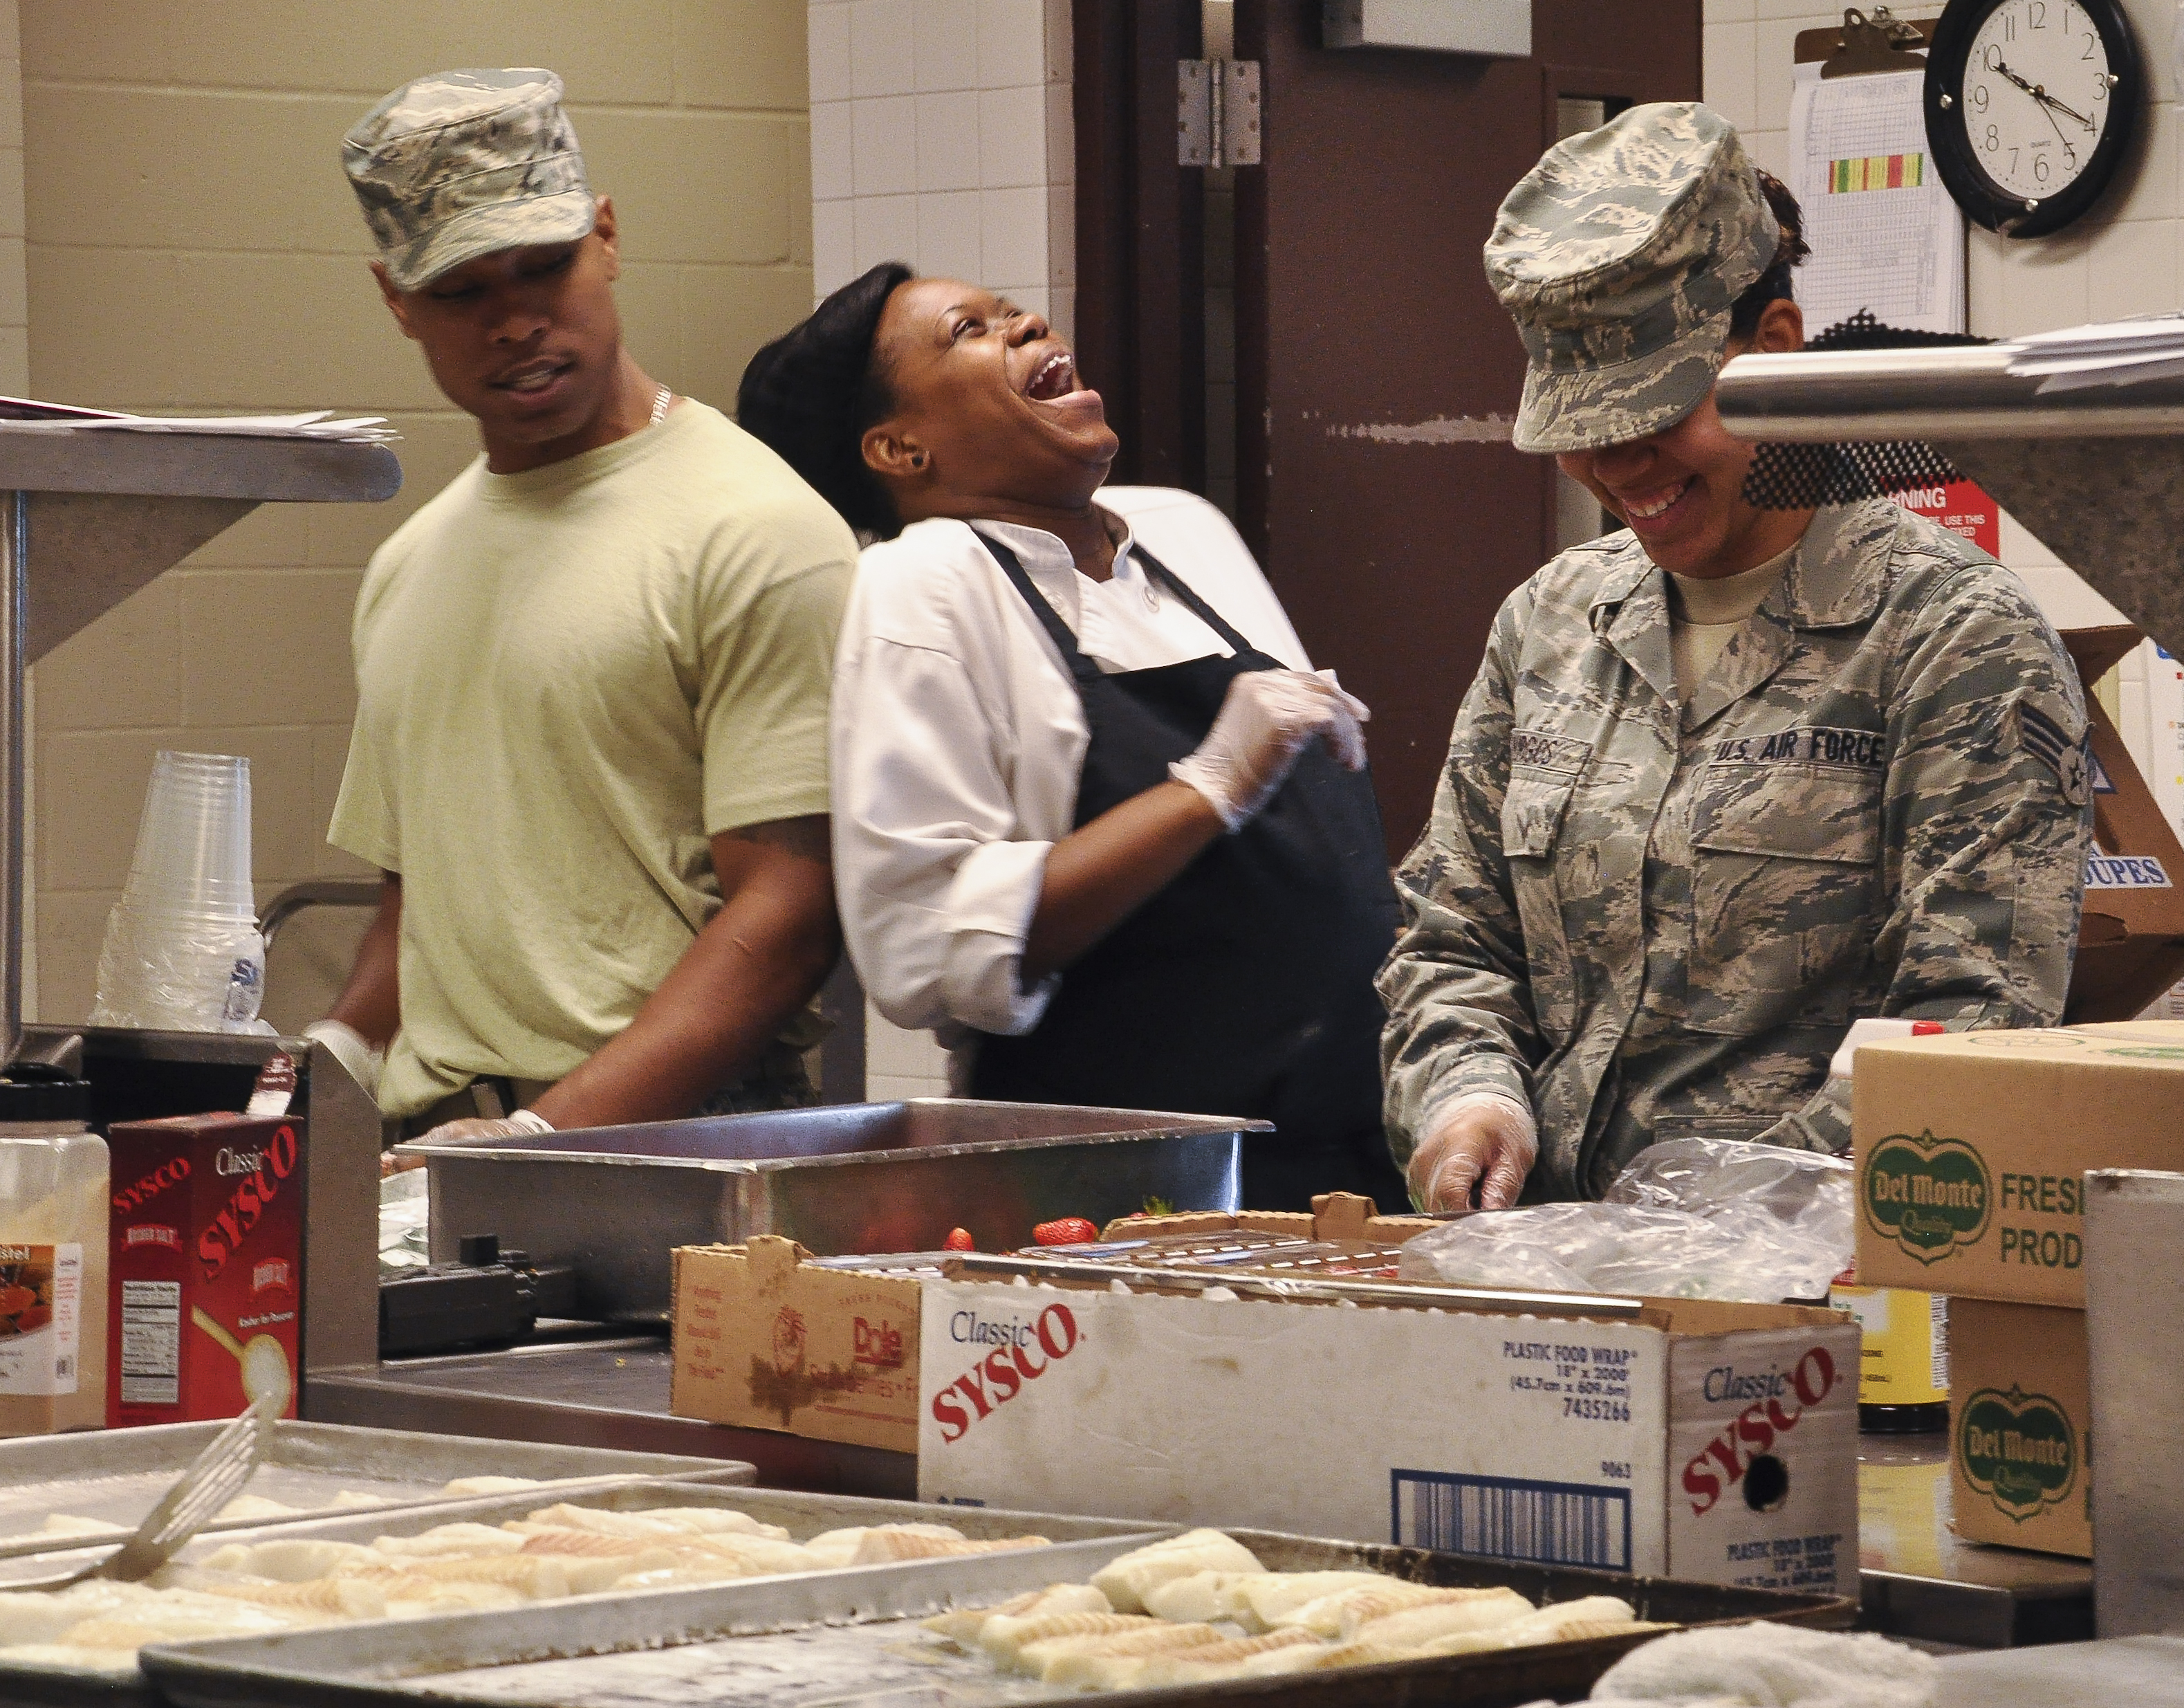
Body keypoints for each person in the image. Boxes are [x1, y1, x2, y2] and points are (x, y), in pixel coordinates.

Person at [1380, 102, 2094, 1211]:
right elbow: (1453, 941)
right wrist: (1471, 1100)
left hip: (1810, 1282)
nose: (1621, 467)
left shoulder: (1950, 636)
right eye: (1584, 430)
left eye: (1658, 413)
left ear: (1777, 349)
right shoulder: (1551, 624)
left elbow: (1972, 1018)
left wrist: (1713, 1222)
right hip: (1541, 1263)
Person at [738, 264, 1406, 1212]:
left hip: (1354, 1151)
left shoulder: (1187, 531)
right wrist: (1209, 784)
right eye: (971, 330)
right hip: (1134, 1190)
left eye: (1013, 312)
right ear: (901, 449)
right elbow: (922, 948)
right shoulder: (924, 583)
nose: (1026, 326)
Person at [312, 69, 856, 1148]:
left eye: (544, 266)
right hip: (440, 1144)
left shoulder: (755, 530)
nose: (515, 322)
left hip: (673, 1147)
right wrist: (309, 1083)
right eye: (461, 291)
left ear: (605, 237)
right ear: (396, 300)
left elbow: (790, 919)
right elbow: (417, 911)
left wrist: (542, 1142)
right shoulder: (408, 565)